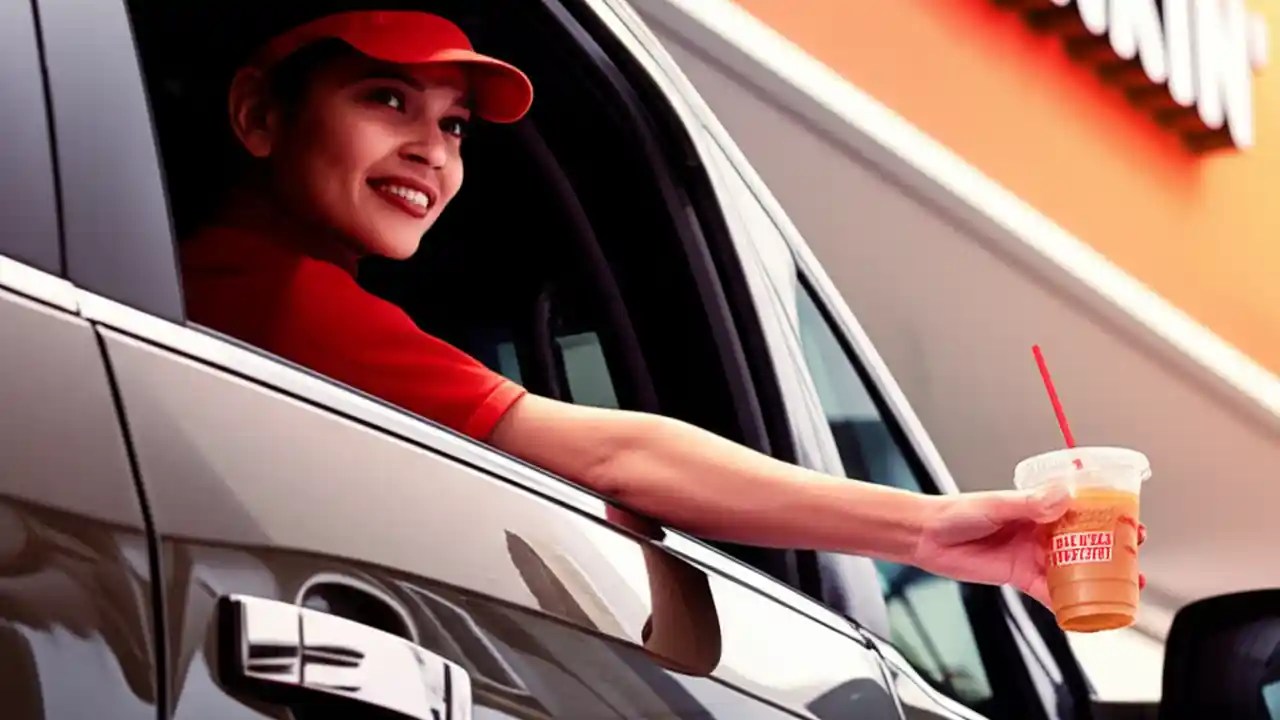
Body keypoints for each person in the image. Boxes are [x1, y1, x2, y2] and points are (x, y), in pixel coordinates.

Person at [181, 9, 1145, 608]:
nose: (434, 151)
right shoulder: (275, 292)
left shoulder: (241, 286)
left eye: (454, 125)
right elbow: (617, 455)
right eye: (387, 98)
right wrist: (927, 529)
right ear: (260, 115)